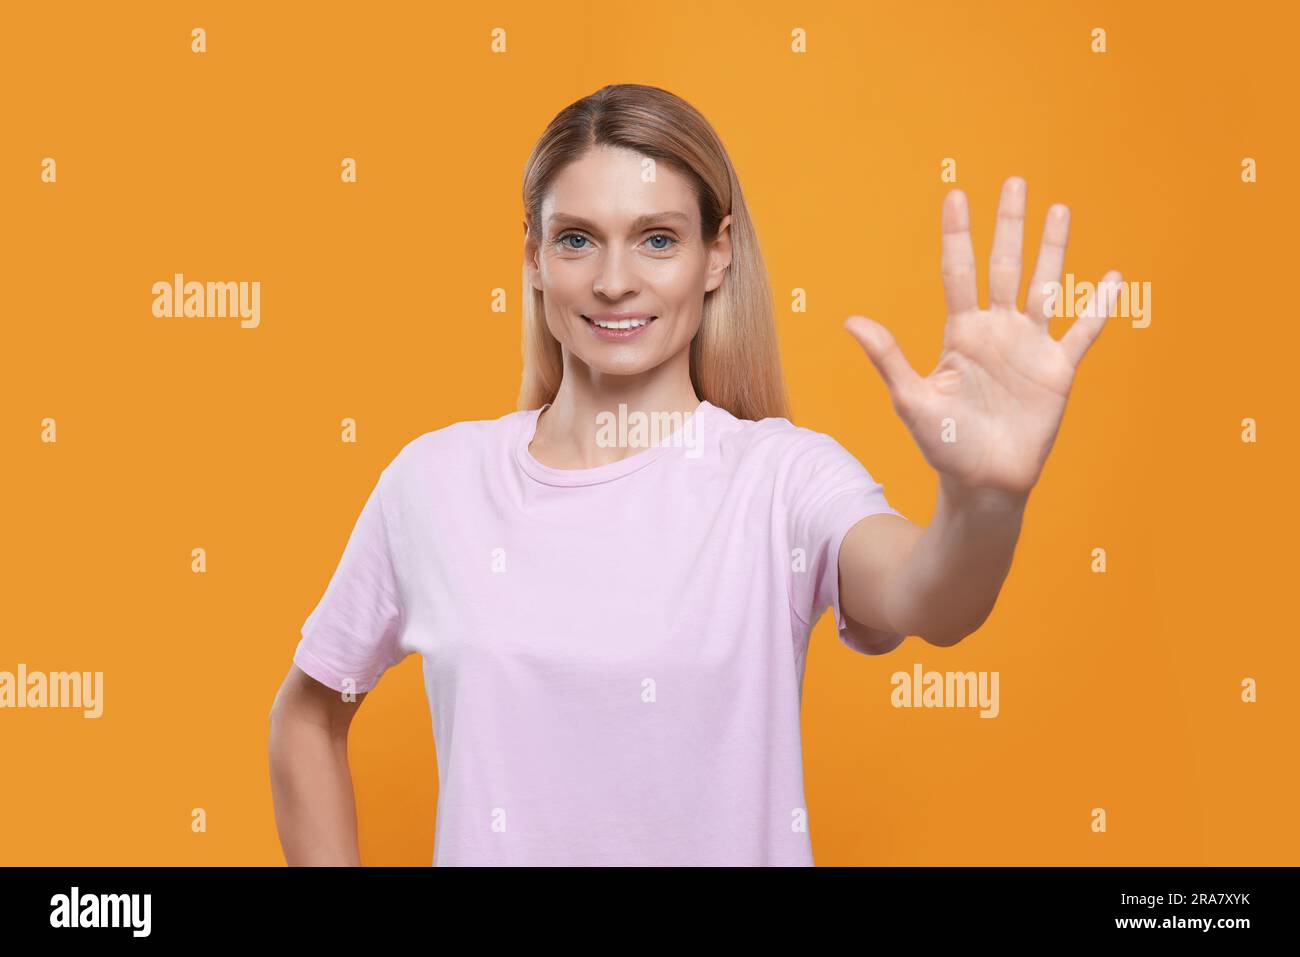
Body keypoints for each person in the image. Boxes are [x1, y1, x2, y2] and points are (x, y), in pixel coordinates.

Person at [268, 83, 1121, 866]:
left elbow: (932, 598)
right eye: (576, 240)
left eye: (657, 239)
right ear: (532, 257)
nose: (612, 281)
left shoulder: (778, 481)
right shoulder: (434, 484)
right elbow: (307, 715)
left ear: (716, 256)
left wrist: (986, 501)